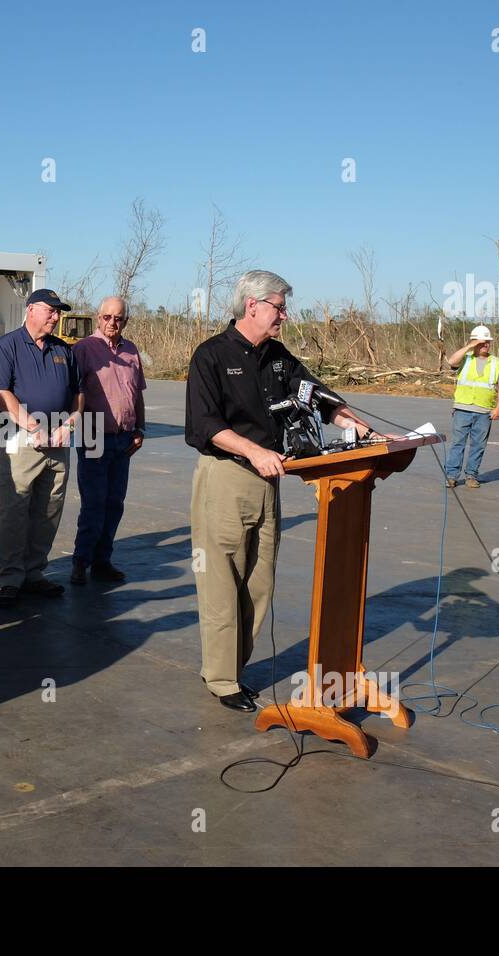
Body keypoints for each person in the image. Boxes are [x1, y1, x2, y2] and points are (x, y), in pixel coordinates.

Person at [184, 271, 385, 713]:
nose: (284, 315)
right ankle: (221, 680)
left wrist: (354, 423)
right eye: (278, 306)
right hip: (226, 478)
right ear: (252, 306)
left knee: (259, 586)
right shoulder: (211, 356)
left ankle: (233, 667)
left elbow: (315, 395)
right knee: (222, 586)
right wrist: (254, 451)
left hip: (269, 482)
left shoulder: (277, 357)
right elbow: (204, 425)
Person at [0, 289, 84, 608]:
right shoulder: (8, 345)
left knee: (48, 511)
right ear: (30, 310)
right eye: (50, 311)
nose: (56, 317)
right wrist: (34, 428)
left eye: (58, 312)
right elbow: (1, 392)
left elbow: (78, 395)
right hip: (22, 439)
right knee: (15, 510)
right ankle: (11, 578)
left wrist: (68, 425)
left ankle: (33, 573)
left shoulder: (63, 351)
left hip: (58, 441)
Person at [70, 295, 145, 583]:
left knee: (115, 503)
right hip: (93, 432)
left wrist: (141, 430)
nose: (112, 322)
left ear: (126, 320)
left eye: (119, 318)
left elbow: (137, 393)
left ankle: (102, 561)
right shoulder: (83, 349)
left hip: (124, 437)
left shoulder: (131, 351)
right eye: (107, 317)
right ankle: (81, 562)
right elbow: (72, 392)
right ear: (97, 317)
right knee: (94, 502)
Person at [443, 325, 499, 489]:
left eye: (487, 342)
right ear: (474, 341)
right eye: (482, 342)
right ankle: (451, 475)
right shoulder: (466, 358)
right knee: (458, 444)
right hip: (463, 409)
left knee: (478, 446)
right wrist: (470, 346)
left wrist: (498, 407)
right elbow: (451, 361)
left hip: (484, 411)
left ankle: (471, 475)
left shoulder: (497, 362)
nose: (485, 345)